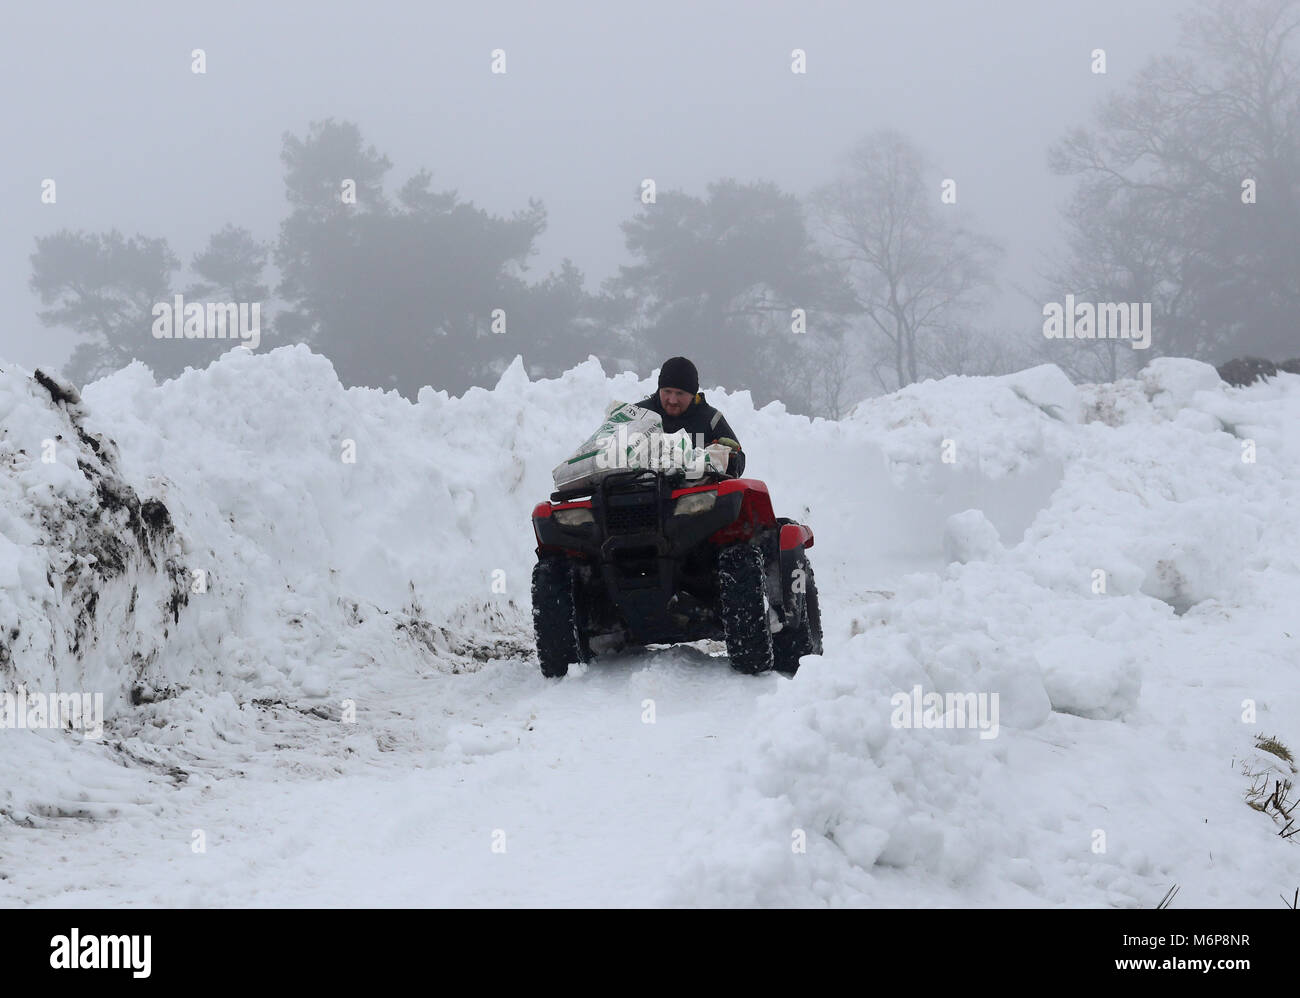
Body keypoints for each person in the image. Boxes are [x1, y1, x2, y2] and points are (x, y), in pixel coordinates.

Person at [635, 356, 746, 477]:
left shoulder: (711, 419)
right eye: (667, 391)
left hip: (694, 493)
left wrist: (729, 456)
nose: (672, 400)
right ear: (659, 389)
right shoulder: (638, 413)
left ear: (693, 394)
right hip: (642, 491)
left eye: (680, 394)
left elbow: (739, 463)